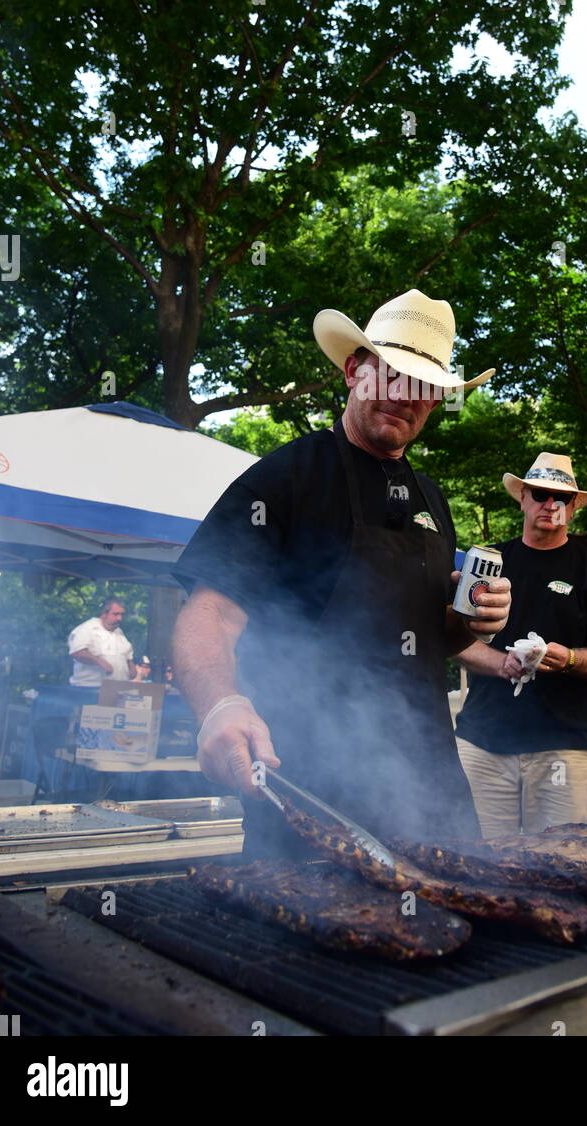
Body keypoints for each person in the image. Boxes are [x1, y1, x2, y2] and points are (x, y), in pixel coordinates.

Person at [171, 289, 512, 857]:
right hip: (309, 786)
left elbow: (434, 642)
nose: (405, 397)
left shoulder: (432, 499)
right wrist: (220, 705)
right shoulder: (283, 479)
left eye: (425, 387)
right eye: (392, 376)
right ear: (355, 370)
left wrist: (471, 623)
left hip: (429, 782)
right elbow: (209, 612)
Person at [454, 453, 587, 836]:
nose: (550, 505)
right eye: (541, 494)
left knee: (565, 864)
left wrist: (570, 659)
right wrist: (501, 664)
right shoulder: (487, 561)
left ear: (574, 506)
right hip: (483, 744)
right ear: (523, 497)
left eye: (561, 498)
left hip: (562, 746)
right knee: (479, 864)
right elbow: (455, 641)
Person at [68, 597, 135, 687]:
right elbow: (77, 652)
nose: (119, 618)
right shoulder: (87, 628)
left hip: (117, 689)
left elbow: (128, 656)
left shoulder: (119, 632)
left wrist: (131, 668)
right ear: (104, 614)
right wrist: (99, 661)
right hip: (90, 688)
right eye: (115, 614)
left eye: (121, 614)